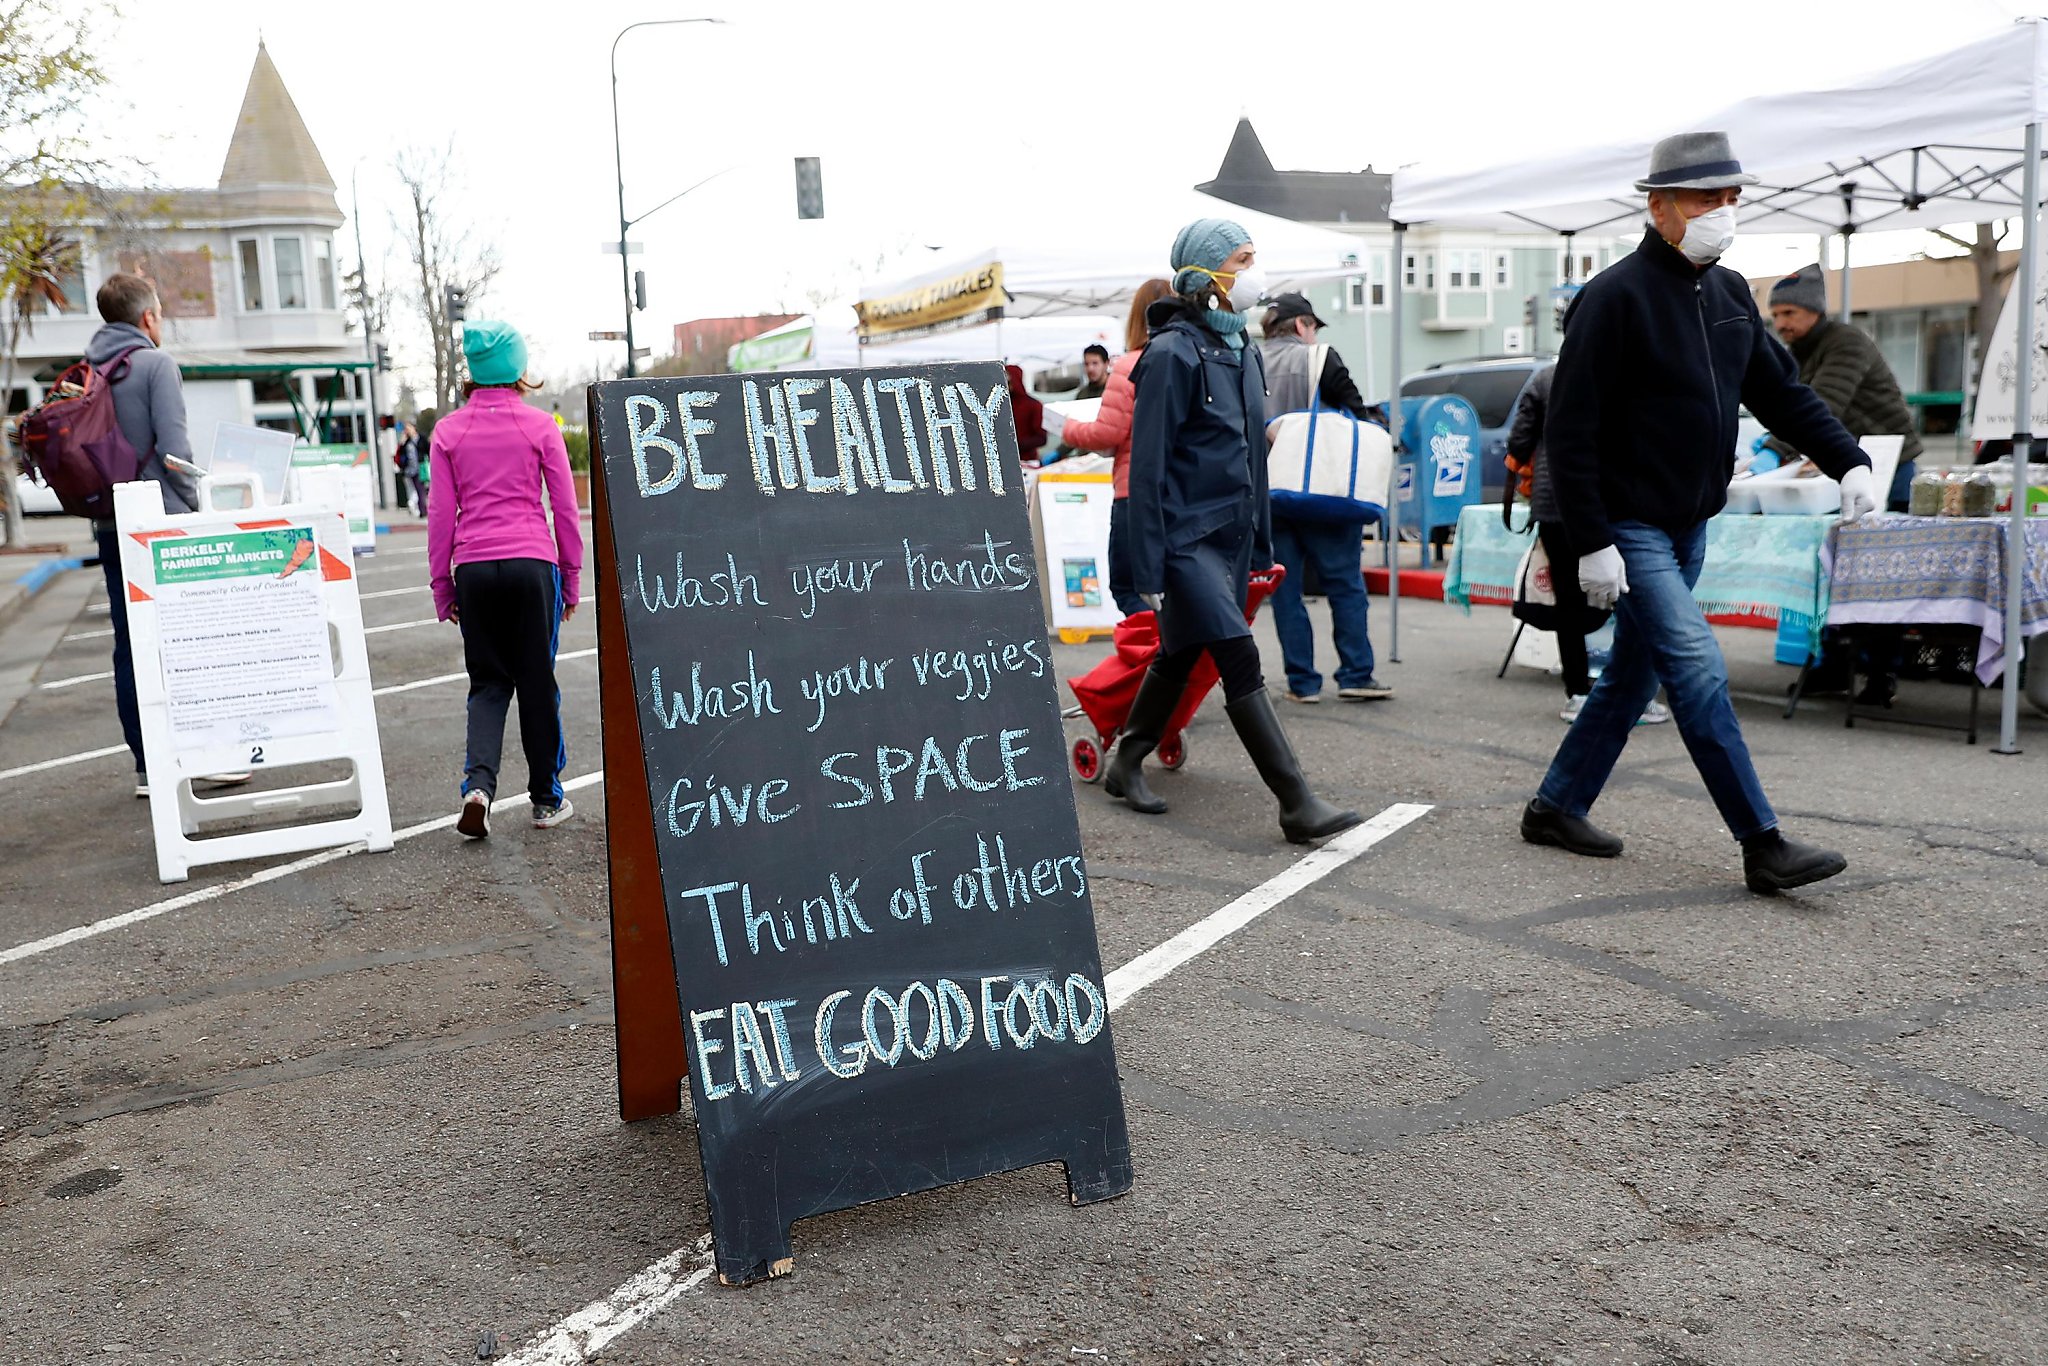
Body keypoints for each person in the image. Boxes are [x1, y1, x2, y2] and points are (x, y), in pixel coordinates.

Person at [1522, 132, 1877, 896]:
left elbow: (1782, 393)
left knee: (1628, 678)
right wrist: (1590, 541)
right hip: (1630, 524)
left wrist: (1848, 458)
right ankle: (1762, 842)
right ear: (1659, 207)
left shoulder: (1728, 293)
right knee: (1696, 667)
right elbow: (1571, 429)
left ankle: (1555, 806)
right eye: (1705, 198)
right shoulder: (1612, 297)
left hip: (1690, 524)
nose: (1723, 211)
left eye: (1731, 197)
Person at [1110, 217, 1361, 845]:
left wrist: (1262, 544)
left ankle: (1124, 762)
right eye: (1243, 260)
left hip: (1229, 538)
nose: (1254, 272)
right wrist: (1147, 568)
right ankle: (1296, 802)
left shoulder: (1242, 349)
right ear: (1207, 273)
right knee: (1238, 655)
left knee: (1180, 652)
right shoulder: (1170, 353)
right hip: (1184, 540)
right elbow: (1147, 470)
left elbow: (1253, 457)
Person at [84, 273, 249, 799]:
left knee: (130, 644)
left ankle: (147, 765)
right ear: (148, 318)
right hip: (161, 524)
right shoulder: (155, 364)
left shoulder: (90, 370)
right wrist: (198, 505)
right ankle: (205, 756)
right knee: (188, 640)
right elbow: (175, 451)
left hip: (111, 523)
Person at [428, 321, 585, 838]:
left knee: (489, 685)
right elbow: (564, 508)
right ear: (518, 370)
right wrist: (571, 576)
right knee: (538, 683)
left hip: (475, 568)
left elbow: (440, 514)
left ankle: (478, 787)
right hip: (531, 565)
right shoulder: (540, 427)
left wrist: (441, 585)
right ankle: (545, 800)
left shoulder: (449, 432)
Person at [1504, 359, 1670, 727]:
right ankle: (1635, 695)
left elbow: (1519, 441)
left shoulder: (1546, 377)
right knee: (1631, 600)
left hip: (1555, 504)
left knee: (1567, 601)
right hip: (1619, 503)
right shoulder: (1625, 371)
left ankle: (1578, 693)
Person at [1258, 290, 1393, 704]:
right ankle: (1355, 674)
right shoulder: (1319, 357)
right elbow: (1357, 411)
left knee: (1286, 590)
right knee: (1345, 586)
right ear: (1302, 325)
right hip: (1327, 490)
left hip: (1272, 492)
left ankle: (1303, 683)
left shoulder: (1250, 360)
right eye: (1312, 326)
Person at [1763, 263, 1921, 508]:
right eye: (1775, 315)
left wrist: (1774, 448)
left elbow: (1824, 402)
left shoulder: (1846, 342)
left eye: (1789, 313)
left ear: (1814, 310)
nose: (1780, 323)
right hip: (1845, 461)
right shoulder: (1797, 352)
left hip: (1889, 464)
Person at [1061, 279, 1174, 615]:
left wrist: (1067, 428)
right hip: (1185, 490)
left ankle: (1157, 660)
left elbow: (1108, 433)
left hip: (1134, 491)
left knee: (1128, 587)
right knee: (1177, 586)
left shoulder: (1127, 366)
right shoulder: (1193, 359)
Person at [1006, 364, 1046, 465]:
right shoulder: (999, 406)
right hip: (1005, 461)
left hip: (1028, 461)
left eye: (1009, 381)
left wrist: (1016, 445)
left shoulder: (1033, 405)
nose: (1006, 385)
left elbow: (1041, 438)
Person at [400, 421, 429, 515]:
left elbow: (428, 449)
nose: (407, 430)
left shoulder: (421, 438)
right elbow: (401, 454)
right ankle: (419, 509)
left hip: (420, 467)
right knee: (414, 490)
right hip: (409, 469)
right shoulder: (407, 442)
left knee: (420, 489)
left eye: (409, 428)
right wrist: (402, 442)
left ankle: (422, 510)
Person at [393, 423, 419, 514]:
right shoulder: (405, 442)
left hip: (417, 468)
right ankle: (412, 505)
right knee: (411, 489)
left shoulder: (417, 439)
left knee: (417, 489)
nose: (407, 431)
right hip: (407, 469)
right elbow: (398, 454)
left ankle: (414, 505)